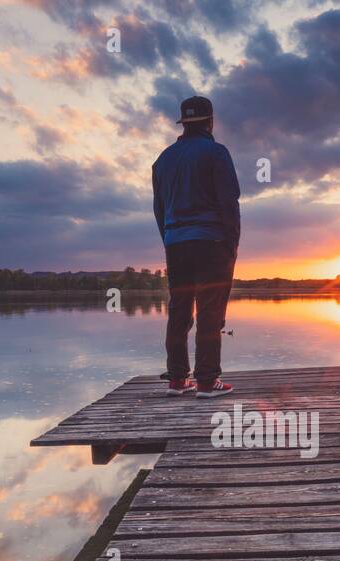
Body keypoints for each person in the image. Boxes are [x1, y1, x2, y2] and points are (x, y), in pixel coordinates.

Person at [152, 95, 239, 397]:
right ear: (210, 121)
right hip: (211, 242)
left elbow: (159, 210)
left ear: (183, 123)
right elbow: (229, 203)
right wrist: (231, 246)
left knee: (179, 310)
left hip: (176, 243)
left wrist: (170, 240)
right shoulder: (216, 153)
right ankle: (206, 381)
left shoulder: (162, 160)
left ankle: (177, 379)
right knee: (210, 311)